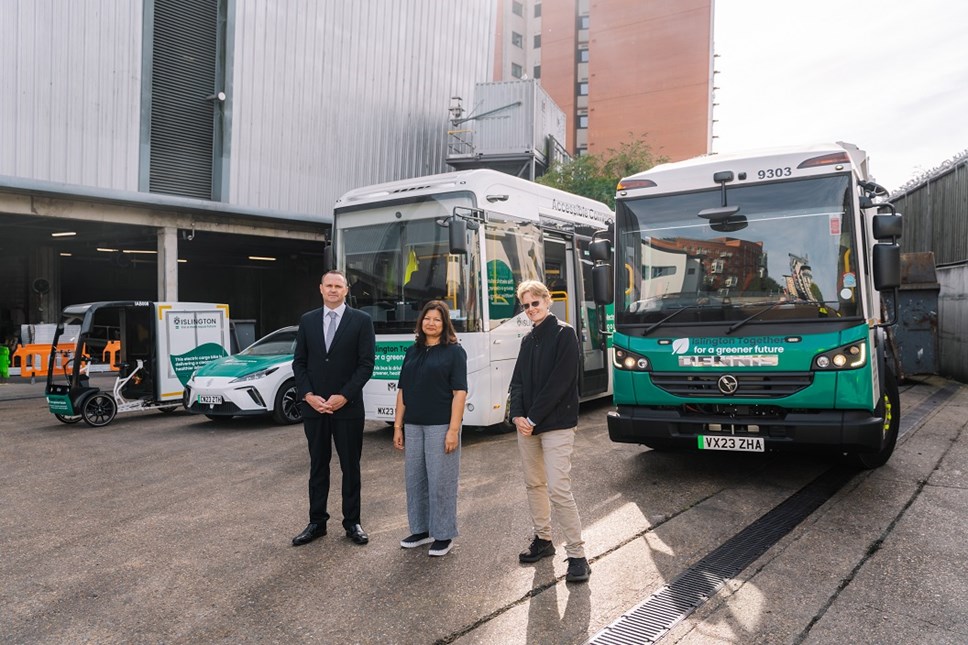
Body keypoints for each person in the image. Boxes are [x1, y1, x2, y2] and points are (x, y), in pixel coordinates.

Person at [509, 279, 591, 583]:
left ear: (547, 301)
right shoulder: (528, 341)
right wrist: (517, 414)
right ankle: (543, 541)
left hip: (556, 424)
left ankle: (577, 555)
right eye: (526, 305)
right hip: (527, 426)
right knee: (534, 485)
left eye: (535, 303)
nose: (531, 309)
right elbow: (516, 382)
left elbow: (561, 382)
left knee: (558, 488)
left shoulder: (564, 334)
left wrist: (532, 417)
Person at [291, 270, 376, 547]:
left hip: (347, 408)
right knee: (318, 466)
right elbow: (299, 363)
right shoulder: (307, 320)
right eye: (328, 285)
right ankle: (317, 522)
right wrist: (308, 395)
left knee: (350, 467)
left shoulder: (361, 321)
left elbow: (366, 365)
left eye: (338, 286)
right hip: (314, 408)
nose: (333, 290)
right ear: (320, 288)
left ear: (345, 290)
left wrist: (345, 396)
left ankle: (353, 523)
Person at [392, 300, 467, 557]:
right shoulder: (412, 351)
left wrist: (453, 430)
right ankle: (421, 530)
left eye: (437, 319)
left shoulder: (454, 352)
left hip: (440, 425)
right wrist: (397, 426)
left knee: (441, 482)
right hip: (413, 424)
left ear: (445, 323)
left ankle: (443, 534)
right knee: (415, 480)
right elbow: (402, 391)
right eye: (427, 318)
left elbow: (459, 393)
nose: (431, 323)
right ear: (420, 321)